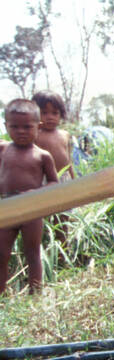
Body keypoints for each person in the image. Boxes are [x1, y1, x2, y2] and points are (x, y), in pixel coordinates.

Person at [0, 99, 59, 294]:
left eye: (27, 126)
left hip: (32, 209)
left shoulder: (42, 156)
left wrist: (36, 193)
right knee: (1, 253)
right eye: (14, 126)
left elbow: (53, 183)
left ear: (38, 127)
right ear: (6, 126)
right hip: (7, 207)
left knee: (32, 252)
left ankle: (36, 292)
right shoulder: (3, 149)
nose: (21, 131)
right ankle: (1, 293)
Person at [33, 90, 75, 245]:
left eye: (54, 113)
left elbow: (68, 160)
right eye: (44, 112)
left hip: (64, 179)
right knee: (44, 218)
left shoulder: (64, 134)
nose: (50, 117)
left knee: (64, 218)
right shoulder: (35, 135)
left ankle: (63, 249)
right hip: (44, 181)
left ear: (61, 115)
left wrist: (74, 180)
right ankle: (45, 247)